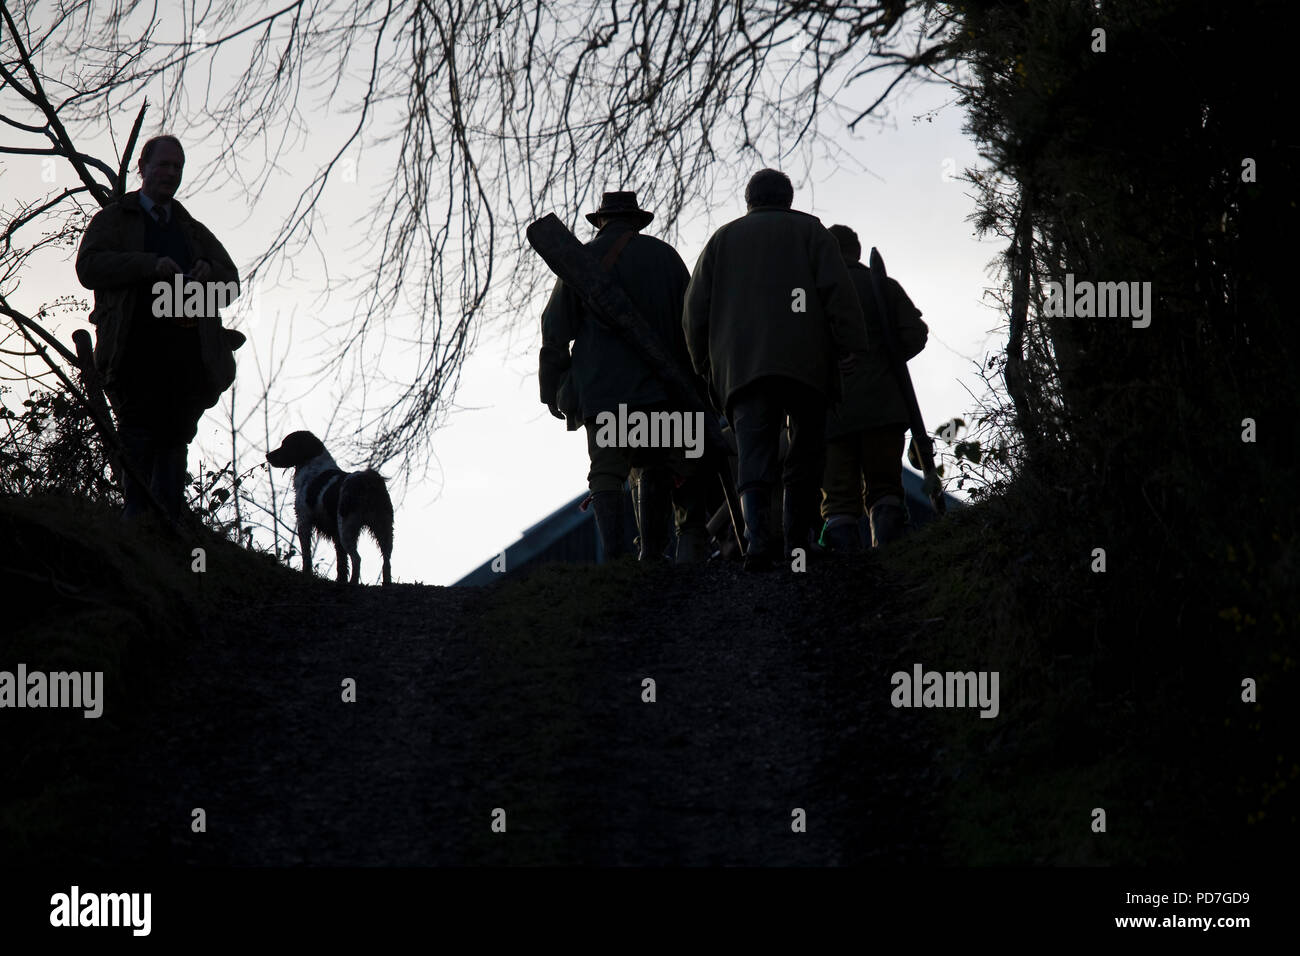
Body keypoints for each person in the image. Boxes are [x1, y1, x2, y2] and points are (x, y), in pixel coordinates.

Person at [683, 170, 867, 571]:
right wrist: (850, 345)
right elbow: (838, 293)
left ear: (749, 200)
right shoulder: (813, 232)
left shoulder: (722, 240)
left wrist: (705, 365)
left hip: (744, 367)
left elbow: (694, 312)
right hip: (807, 364)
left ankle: (757, 545)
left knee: (753, 453)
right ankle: (797, 544)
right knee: (804, 451)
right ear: (788, 198)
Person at [538, 191, 709, 563]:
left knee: (606, 470)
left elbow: (554, 329)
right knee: (656, 462)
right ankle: (651, 552)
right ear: (637, 222)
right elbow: (692, 323)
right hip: (659, 390)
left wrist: (550, 388)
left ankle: (615, 558)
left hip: (601, 392)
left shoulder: (580, 259)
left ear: (600, 222)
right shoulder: (666, 257)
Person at [76, 134, 241, 521]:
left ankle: (168, 526)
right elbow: (89, 268)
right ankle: (136, 524)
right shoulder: (114, 219)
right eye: (163, 165)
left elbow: (230, 283)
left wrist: (207, 274)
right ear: (143, 169)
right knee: (137, 433)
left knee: (175, 436)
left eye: (177, 167)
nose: (170, 173)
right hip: (134, 350)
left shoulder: (191, 229)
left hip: (188, 357)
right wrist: (148, 265)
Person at [819, 225, 929, 549]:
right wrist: (886, 358)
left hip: (831, 412)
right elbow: (915, 333)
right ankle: (889, 559)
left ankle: (844, 572)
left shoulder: (813, 294)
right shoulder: (882, 285)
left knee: (838, 498)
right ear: (856, 249)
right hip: (883, 408)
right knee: (884, 488)